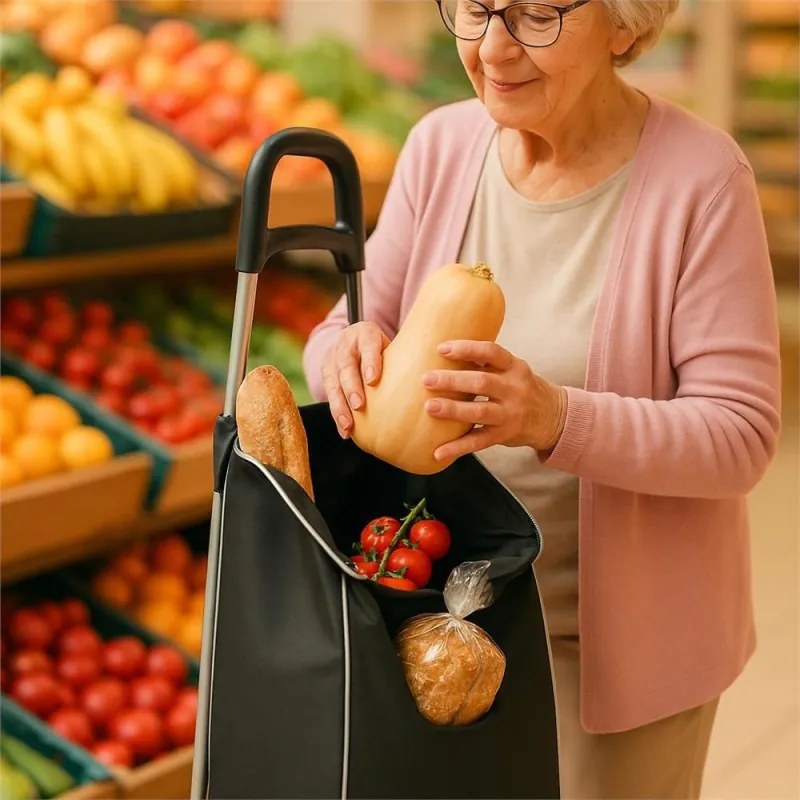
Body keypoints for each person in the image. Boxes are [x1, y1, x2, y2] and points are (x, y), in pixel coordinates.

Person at [302, 1, 782, 797]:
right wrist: (342, 357)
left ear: (624, 25)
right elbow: (344, 330)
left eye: (534, 14)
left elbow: (740, 435)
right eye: (476, 8)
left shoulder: (703, 179)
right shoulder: (440, 147)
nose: (493, 47)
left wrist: (553, 417)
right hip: (439, 621)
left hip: (616, 657)